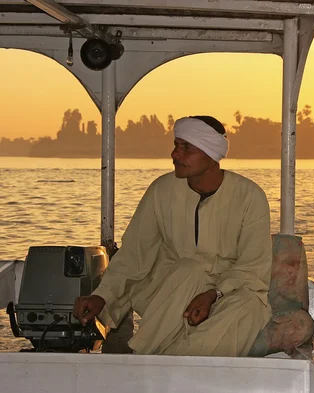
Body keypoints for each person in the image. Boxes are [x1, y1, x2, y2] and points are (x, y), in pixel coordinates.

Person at [73, 115, 273, 356]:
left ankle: (154, 359)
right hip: (170, 294)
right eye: (176, 145)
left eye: (186, 147)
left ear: (211, 153)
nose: (175, 154)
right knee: (191, 269)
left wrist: (212, 294)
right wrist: (102, 296)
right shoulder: (161, 191)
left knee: (251, 307)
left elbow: (253, 269)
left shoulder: (250, 197)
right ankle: (158, 360)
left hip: (227, 294)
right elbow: (133, 256)